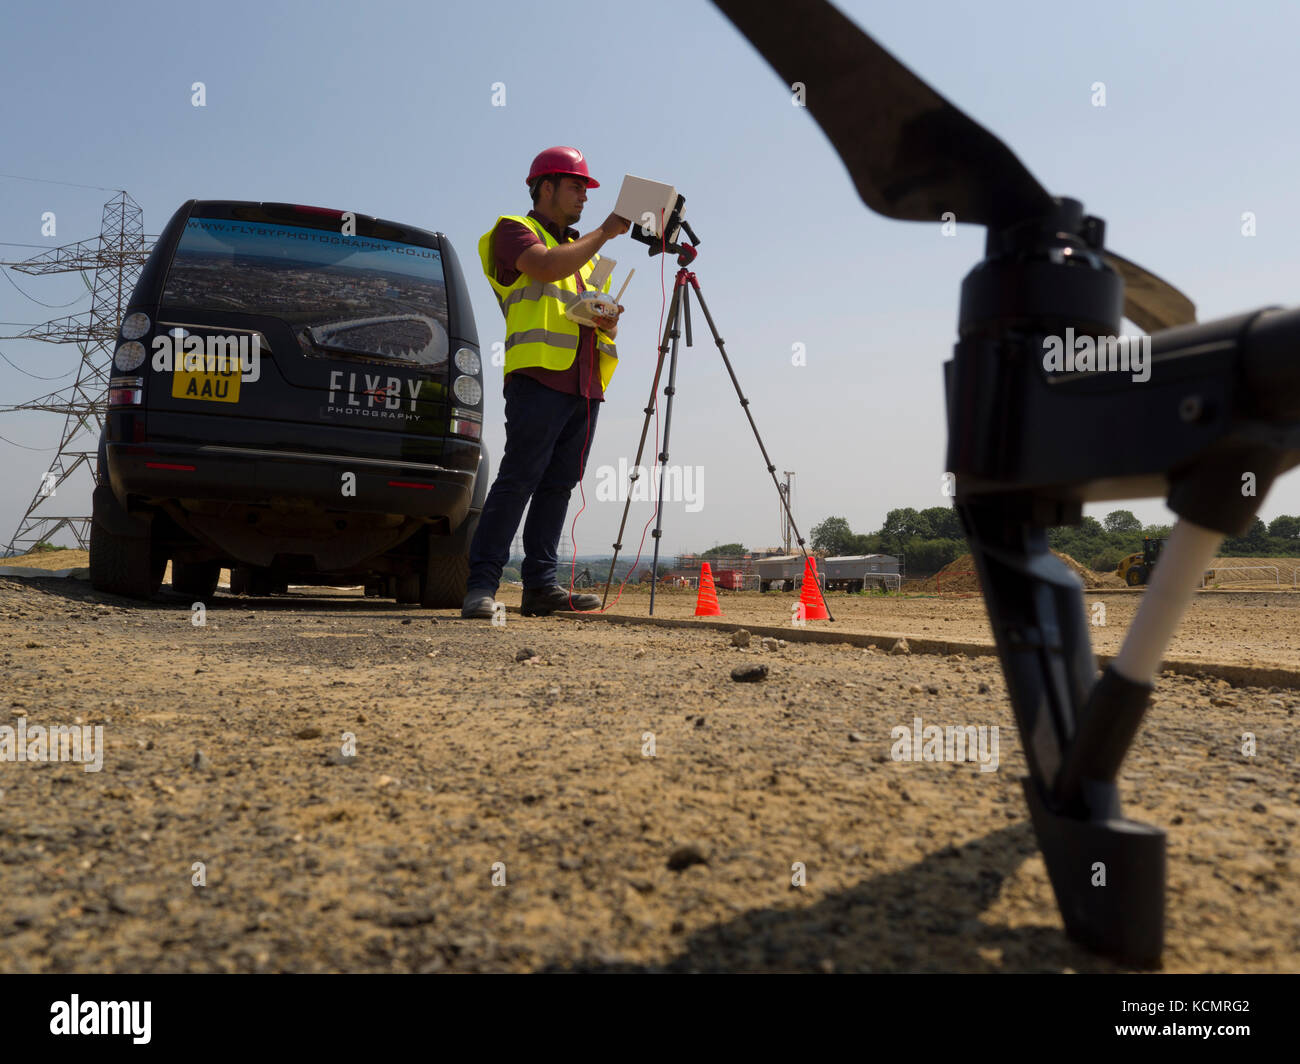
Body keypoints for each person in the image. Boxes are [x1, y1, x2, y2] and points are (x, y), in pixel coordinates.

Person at [462, 146, 630, 618]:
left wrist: (608, 319)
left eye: (586, 190)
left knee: (558, 485)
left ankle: (540, 585)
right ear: (546, 187)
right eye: (577, 186)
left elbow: (594, 313)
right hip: (538, 377)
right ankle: (481, 585)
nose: (584, 197)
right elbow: (546, 267)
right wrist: (607, 231)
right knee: (519, 478)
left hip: (584, 383)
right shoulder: (512, 231)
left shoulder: (582, 249)